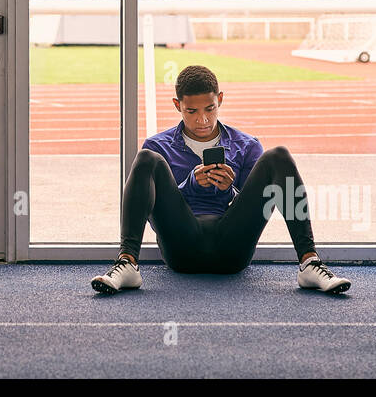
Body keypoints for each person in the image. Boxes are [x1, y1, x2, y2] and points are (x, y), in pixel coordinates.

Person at [91, 64, 351, 296]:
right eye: (191, 111)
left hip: (232, 249)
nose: (202, 119)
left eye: (210, 108)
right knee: (146, 158)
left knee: (278, 156)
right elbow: (151, 209)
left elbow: (258, 207)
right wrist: (190, 184)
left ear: (221, 100)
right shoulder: (158, 146)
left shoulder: (246, 145)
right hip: (182, 248)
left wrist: (230, 192)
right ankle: (127, 263)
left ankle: (309, 262)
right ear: (176, 105)